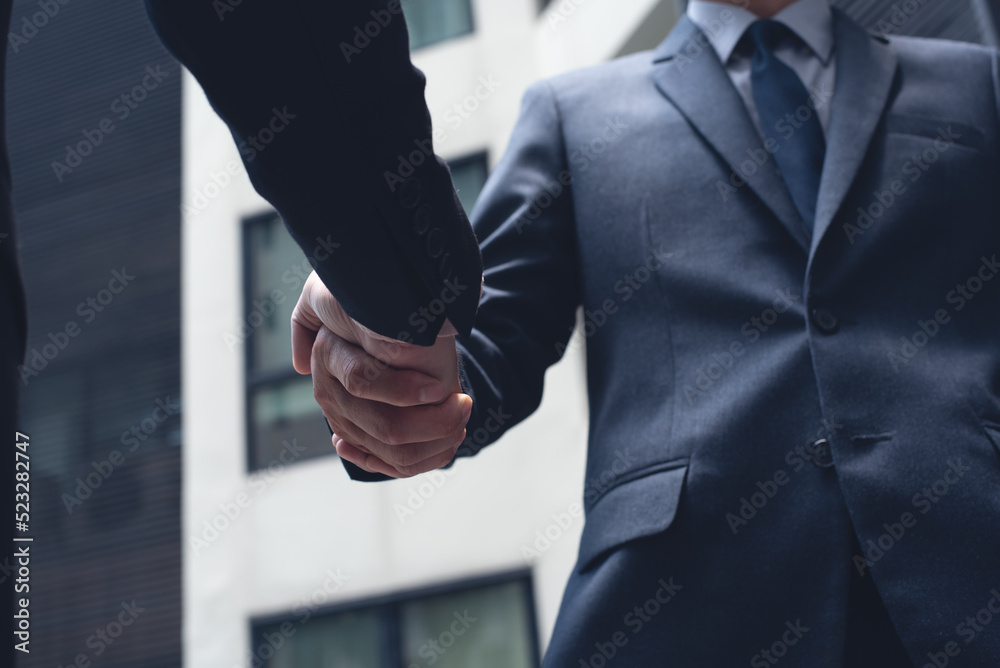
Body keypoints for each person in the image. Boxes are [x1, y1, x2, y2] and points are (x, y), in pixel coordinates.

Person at [153, 0, 1000, 664]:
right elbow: (488, 344)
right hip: (680, 604)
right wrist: (388, 323)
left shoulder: (976, 84)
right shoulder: (574, 112)